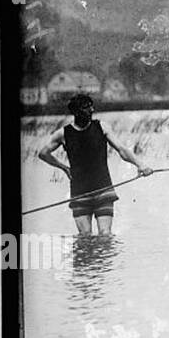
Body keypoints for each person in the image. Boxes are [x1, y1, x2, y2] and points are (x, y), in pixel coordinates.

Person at [38, 94, 152, 234]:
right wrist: (64, 168)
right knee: (85, 236)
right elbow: (43, 154)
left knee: (105, 234)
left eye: (91, 106)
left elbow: (121, 149)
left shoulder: (102, 127)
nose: (91, 110)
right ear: (76, 111)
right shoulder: (63, 133)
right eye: (86, 107)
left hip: (103, 189)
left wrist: (140, 165)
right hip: (79, 192)